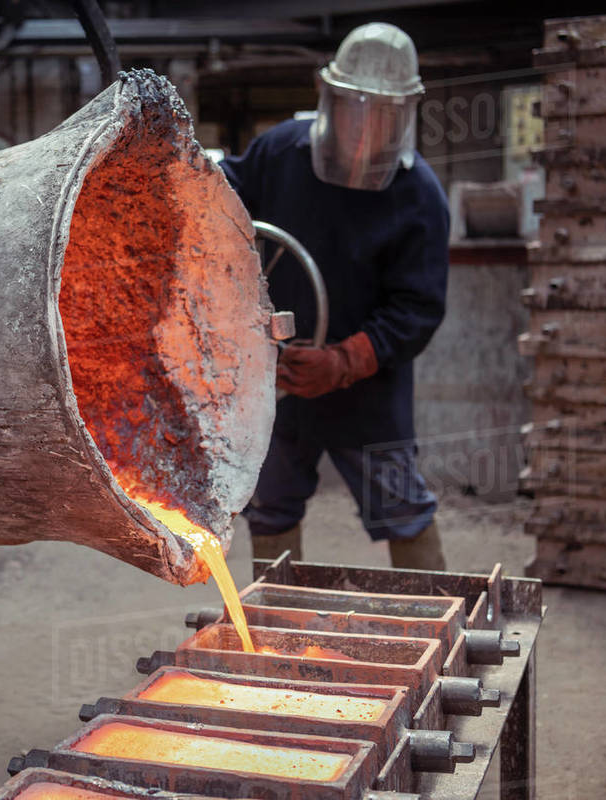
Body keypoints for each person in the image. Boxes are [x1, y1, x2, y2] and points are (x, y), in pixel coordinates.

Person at [220, 22, 449, 570]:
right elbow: (225, 199)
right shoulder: (279, 152)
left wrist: (345, 362)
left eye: (384, 114)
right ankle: (276, 630)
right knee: (270, 506)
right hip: (279, 380)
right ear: (328, 97)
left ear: (407, 111)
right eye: (353, 108)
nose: (366, 128)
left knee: (402, 509)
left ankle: (437, 630)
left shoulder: (418, 196)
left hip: (366, 391)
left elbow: (417, 310)